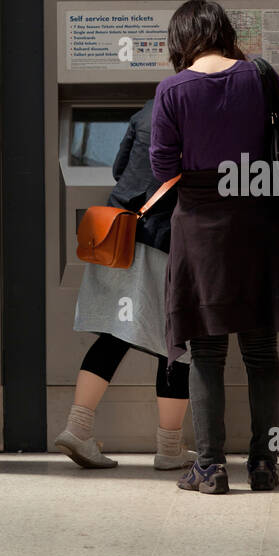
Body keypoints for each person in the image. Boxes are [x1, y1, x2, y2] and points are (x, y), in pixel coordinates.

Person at [149, 0, 279, 496]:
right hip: (258, 224)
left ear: (181, 38)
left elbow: (161, 166)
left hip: (200, 233)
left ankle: (211, 467)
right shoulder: (261, 76)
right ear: (224, 30)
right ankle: (264, 464)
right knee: (260, 351)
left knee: (207, 351)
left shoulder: (172, 90)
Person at [54, 99, 193, 472]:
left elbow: (119, 169)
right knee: (176, 345)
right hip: (163, 239)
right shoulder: (199, 111)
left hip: (118, 234)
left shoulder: (148, 108)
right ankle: (169, 448)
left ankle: (77, 427)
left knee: (114, 336)